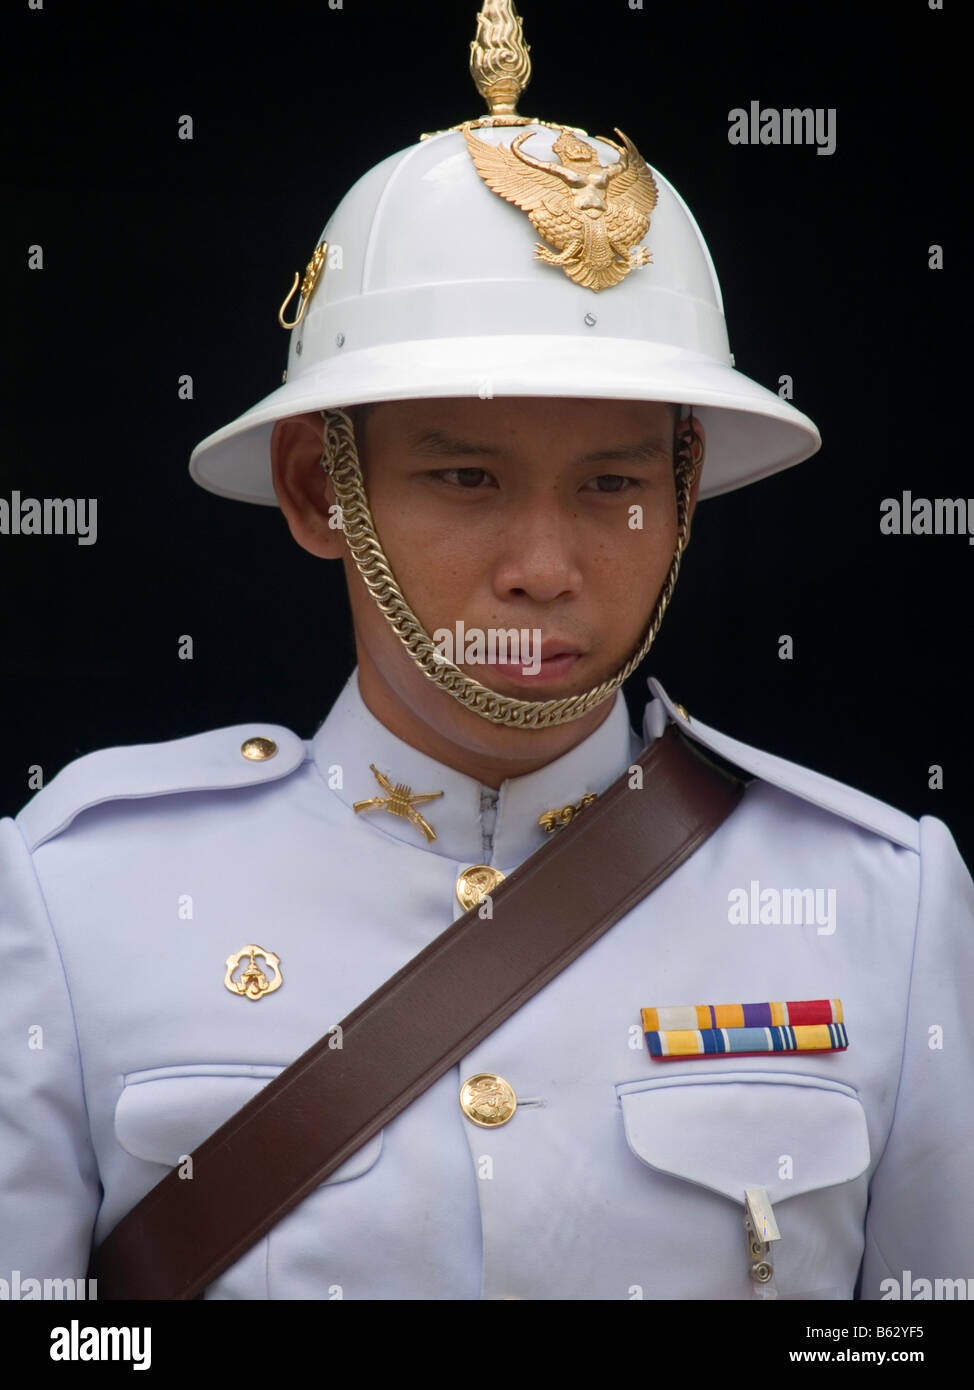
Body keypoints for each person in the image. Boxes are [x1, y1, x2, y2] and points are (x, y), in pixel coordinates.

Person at [2, 0, 971, 1303]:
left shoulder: (882, 906)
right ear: (315, 487)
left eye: (612, 484)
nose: (542, 563)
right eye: (464, 476)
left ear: (685, 491)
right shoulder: (72, 900)